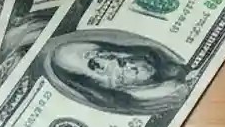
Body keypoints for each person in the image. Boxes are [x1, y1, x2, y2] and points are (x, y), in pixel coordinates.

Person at [39, 29, 201, 115]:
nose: (108, 61)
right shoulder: (167, 94)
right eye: (95, 66)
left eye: (101, 53)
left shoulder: (171, 61)